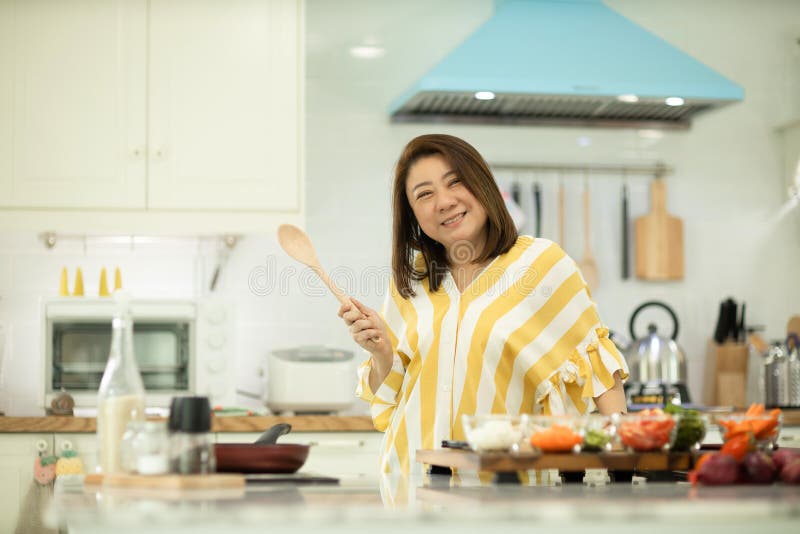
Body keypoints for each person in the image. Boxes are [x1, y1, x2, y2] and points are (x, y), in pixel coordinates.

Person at [339, 134, 628, 474]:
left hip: (508, 489)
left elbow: (596, 363)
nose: (444, 201)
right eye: (425, 194)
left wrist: (624, 458)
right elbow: (389, 396)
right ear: (413, 214)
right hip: (410, 487)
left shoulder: (543, 265)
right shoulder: (409, 283)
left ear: (482, 184)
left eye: (455, 182)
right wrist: (381, 353)